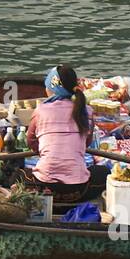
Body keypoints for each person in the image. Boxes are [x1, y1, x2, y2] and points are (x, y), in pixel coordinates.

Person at [22, 65, 110, 195]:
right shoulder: (87, 111)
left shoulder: (40, 110)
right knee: (104, 172)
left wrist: (44, 152)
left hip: (45, 184)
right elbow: (86, 143)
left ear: (52, 88)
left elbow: (31, 141)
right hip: (79, 188)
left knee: (16, 174)